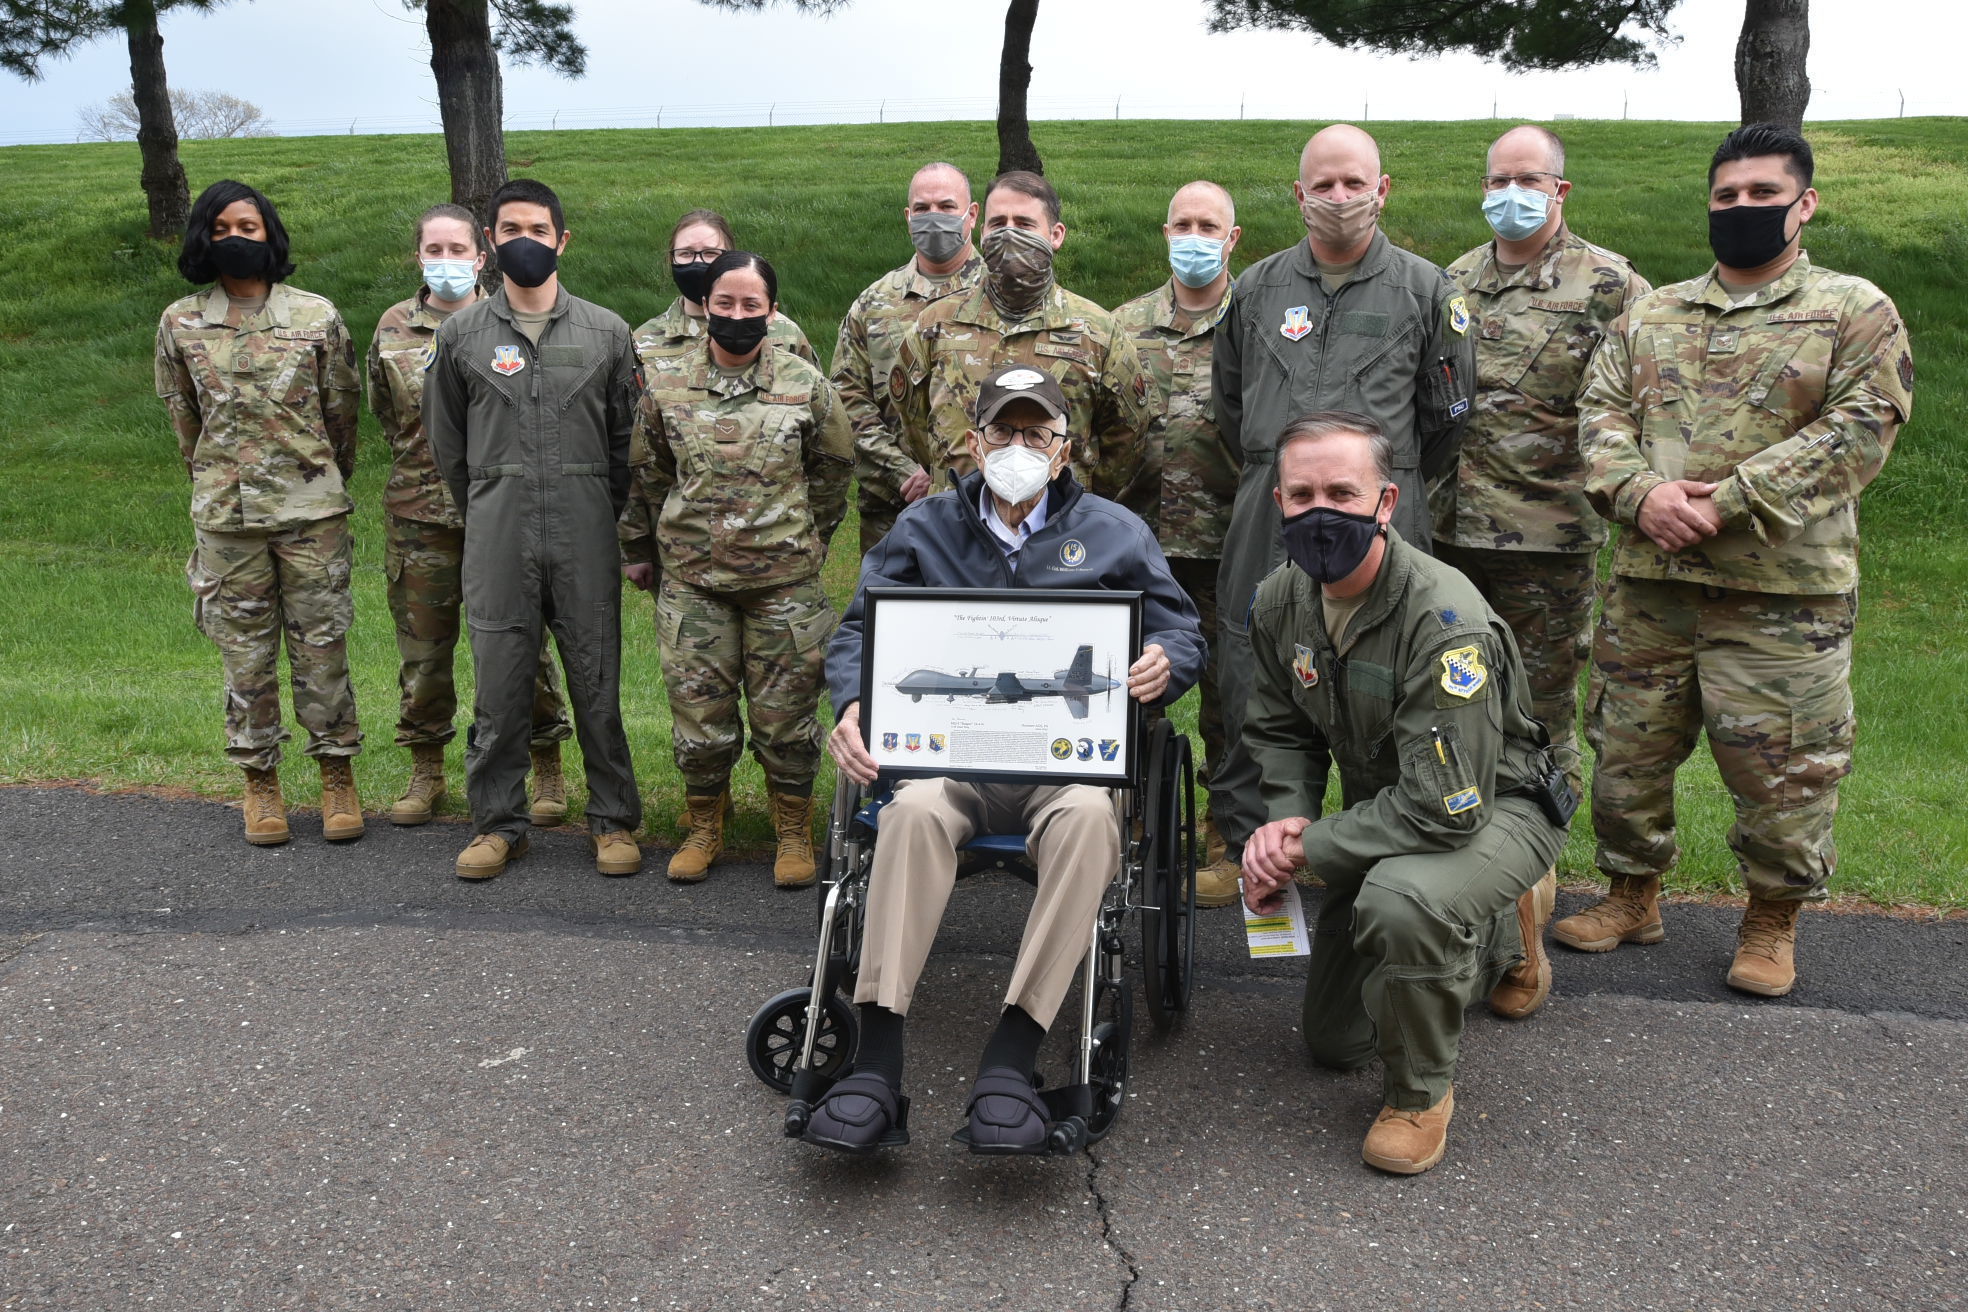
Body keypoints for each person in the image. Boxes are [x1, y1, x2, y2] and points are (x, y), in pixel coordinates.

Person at [802, 365, 1204, 1156]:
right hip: (951, 767)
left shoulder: (1117, 531)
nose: (1018, 448)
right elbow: (857, 632)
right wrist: (853, 703)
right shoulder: (924, 530)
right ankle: (876, 1060)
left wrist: (1164, 659)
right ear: (974, 441)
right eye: (1003, 432)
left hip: (1069, 769)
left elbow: (1180, 628)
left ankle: (1012, 1058)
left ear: (1062, 452)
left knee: (1092, 823)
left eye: (1037, 434)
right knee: (910, 816)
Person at [1562, 123, 1913, 997]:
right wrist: (1642, 495)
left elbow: (1860, 430)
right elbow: (1597, 417)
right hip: (1653, 585)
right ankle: (1631, 893)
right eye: (1728, 196)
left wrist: (1726, 501)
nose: (1743, 209)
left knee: (1785, 766)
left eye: (1763, 194)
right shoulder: (1650, 314)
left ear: (1805, 204)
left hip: (1780, 596)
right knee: (1625, 753)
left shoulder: (1853, 310)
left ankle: (1771, 918)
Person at [1240, 412, 1568, 1176]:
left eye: (1343, 493)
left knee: (1400, 902)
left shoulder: (1445, 621)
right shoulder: (1280, 603)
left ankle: (1420, 1095)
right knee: (1333, 1043)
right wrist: (1289, 812)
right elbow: (1279, 727)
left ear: (1386, 504)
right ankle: (1500, 930)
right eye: (1302, 493)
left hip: (1492, 806)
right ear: (1278, 503)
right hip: (1387, 811)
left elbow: (1444, 807)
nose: (1321, 511)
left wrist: (1303, 847)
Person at [1211, 124, 1475, 874]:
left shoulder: (1428, 291)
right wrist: (1280, 473)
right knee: (1251, 664)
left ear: (1382, 190)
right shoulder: (1255, 289)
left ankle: (1385, 849)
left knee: (1394, 669)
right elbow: (1229, 404)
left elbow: (1448, 418)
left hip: (1385, 509)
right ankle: (1249, 847)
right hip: (1273, 502)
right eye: (1323, 185)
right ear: (1299, 195)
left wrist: (1385, 483)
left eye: (1354, 183)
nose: (1338, 198)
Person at [423, 178, 645, 881]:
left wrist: (601, 514)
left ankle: (612, 822)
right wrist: (493, 500)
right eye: (511, 229)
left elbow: (625, 445)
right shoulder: (460, 335)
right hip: (498, 532)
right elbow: (448, 448)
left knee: (596, 681)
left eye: (539, 230)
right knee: (500, 685)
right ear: (491, 241)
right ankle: (498, 824)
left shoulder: (607, 332)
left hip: (584, 530)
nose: (526, 241)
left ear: (562, 240)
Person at [619, 251, 853, 887]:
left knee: (787, 724)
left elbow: (832, 470)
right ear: (706, 309)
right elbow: (648, 472)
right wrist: (642, 547)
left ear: (772, 310)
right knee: (700, 726)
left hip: (785, 589)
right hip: (696, 587)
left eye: (752, 305)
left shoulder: (805, 383)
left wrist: (810, 537)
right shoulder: (666, 385)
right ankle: (703, 827)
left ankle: (793, 830)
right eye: (725, 304)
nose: (738, 315)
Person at [1435, 126, 1651, 794]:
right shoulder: (1452, 281)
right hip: (1449, 537)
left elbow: (1646, 407)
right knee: (1451, 703)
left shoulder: (1612, 285)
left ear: (1561, 189)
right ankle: (1458, 844)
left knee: (1540, 715)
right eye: (1499, 180)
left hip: (1547, 543)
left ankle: (1534, 866)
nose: (1512, 193)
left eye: (1529, 180)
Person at [155, 178, 364, 847]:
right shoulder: (180, 323)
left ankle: (337, 776)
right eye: (222, 229)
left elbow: (342, 414)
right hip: (228, 520)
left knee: (322, 648)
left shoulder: (316, 316)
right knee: (244, 658)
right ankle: (261, 784)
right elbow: (184, 421)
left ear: (269, 234)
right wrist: (221, 479)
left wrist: (317, 480)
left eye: (249, 227)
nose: (237, 239)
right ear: (203, 240)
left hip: (311, 515)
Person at [367, 202, 575, 828]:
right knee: (424, 653)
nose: (448, 260)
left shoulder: (510, 321)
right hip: (421, 515)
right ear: (419, 255)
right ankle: (426, 769)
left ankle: (546, 766)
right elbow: (385, 415)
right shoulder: (393, 326)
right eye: (436, 248)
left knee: (525, 649)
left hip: (503, 514)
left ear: (481, 256)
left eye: (459, 250)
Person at [1112, 179, 1244, 907]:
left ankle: (1227, 836)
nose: (1194, 236)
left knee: (1235, 696)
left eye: (1209, 225)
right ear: (1165, 233)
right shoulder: (1122, 326)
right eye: (1182, 223)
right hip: (1142, 544)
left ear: (1233, 239)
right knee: (1134, 688)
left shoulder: (1257, 318)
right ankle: (1129, 822)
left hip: (1233, 543)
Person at [891, 171, 1155, 517]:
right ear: (982, 231)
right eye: (997, 223)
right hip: (956, 526)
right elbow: (913, 424)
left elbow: (1126, 439)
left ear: (1055, 235)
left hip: (1060, 526)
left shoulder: (1097, 332)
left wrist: (1080, 495)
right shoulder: (934, 325)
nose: (1009, 233)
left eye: (1024, 224)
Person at [833, 162, 986, 553]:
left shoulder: (1000, 298)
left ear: (972, 215)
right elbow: (847, 400)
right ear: (908, 217)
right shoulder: (873, 305)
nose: (933, 217)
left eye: (947, 206)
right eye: (922, 208)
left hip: (988, 505)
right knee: (893, 610)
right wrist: (902, 472)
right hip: (893, 504)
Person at [634, 208, 818, 369]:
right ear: (671, 259)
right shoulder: (643, 342)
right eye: (686, 253)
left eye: (710, 253)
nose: (698, 262)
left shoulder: (784, 332)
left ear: (730, 258)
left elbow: (816, 397)